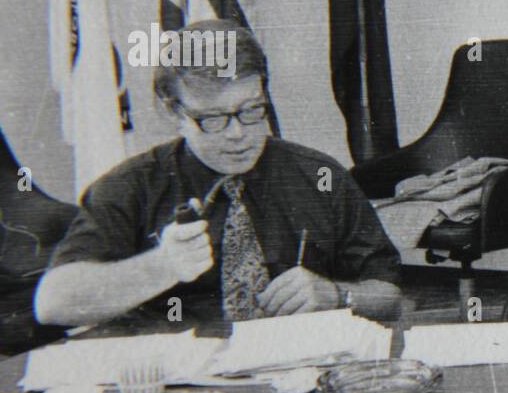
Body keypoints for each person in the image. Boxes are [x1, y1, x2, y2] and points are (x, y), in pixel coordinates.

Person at [35, 20, 405, 327]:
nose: (238, 134)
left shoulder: (320, 176)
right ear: (172, 112)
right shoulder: (132, 186)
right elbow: (53, 304)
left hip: (299, 367)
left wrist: (336, 294)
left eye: (252, 110)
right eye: (212, 119)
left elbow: (390, 297)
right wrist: (162, 267)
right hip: (179, 380)